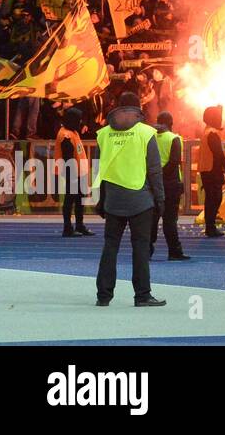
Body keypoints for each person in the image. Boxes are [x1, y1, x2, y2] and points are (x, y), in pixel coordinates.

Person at [92, 92, 166, 307]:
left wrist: (101, 199)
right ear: (138, 109)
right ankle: (142, 295)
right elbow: (154, 170)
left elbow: (99, 169)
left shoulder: (103, 134)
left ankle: (103, 296)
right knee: (140, 247)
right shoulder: (146, 133)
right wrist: (160, 199)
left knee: (110, 246)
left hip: (113, 199)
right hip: (140, 199)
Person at [149, 112, 189, 260]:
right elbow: (174, 162)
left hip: (152, 184)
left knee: (152, 220)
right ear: (171, 123)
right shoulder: (174, 138)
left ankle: (147, 251)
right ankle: (174, 251)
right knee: (170, 220)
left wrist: (155, 177)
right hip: (171, 184)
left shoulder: (149, 137)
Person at [55, 107, 92, 238]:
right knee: (70, 199)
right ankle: (67, 227)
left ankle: (79, 225)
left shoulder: (72, 132)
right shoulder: (66, 135)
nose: (80, 122)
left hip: (79, 172)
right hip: (72, 172)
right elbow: (68, 157)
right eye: (79, 119)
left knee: (79, 199)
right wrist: (72, 175)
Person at [196, 105, 225, 238]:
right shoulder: (212, 134)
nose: (221, 119)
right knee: (215, 198)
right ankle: (210, 227)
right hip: (212, 170)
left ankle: (210, 226)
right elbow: (218, 153)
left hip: (207, 170)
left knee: (212, 198)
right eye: (218, 117)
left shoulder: (207, 131)